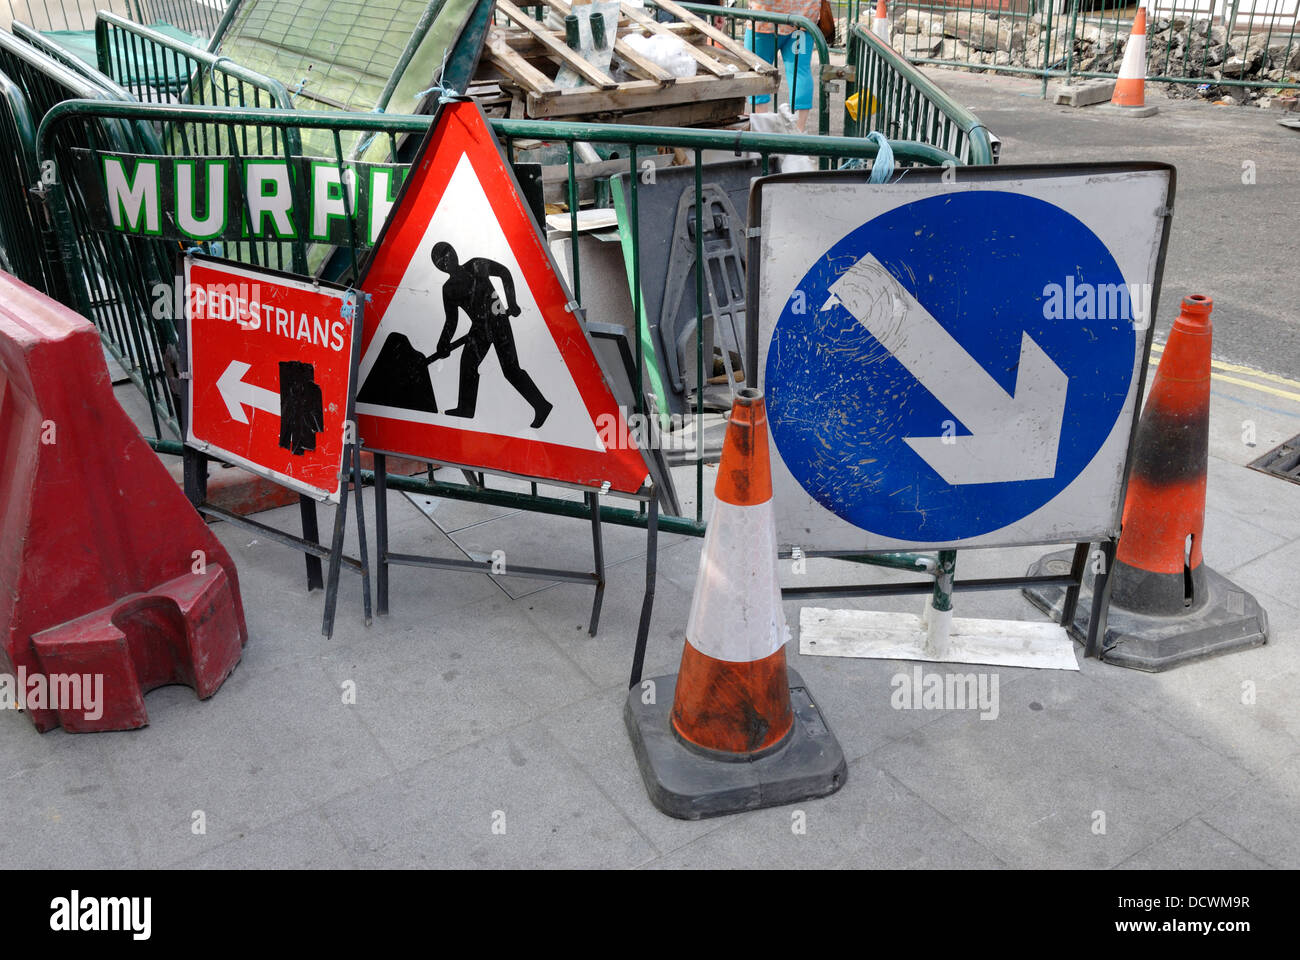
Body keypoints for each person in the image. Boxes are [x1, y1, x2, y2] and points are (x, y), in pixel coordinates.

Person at [429, 241, 553, 429]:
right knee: (468, 364)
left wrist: (512, 302)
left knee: (511, 370)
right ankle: (465, 408)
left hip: (498, 321)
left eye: (449, 254)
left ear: (454, 252)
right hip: (479, 329)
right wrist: (443, 342)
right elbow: (451, 320)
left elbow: (504, 272)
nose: (448, 261)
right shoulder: (449, 289)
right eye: (442, 262)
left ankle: (542, 406)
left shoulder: (476, 265)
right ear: (440, 268)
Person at [746, 0, 819, 132]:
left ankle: (762, 130)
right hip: (803, 17)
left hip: (764, 17)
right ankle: (798, 131)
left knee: (757, 72)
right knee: (800, 72)